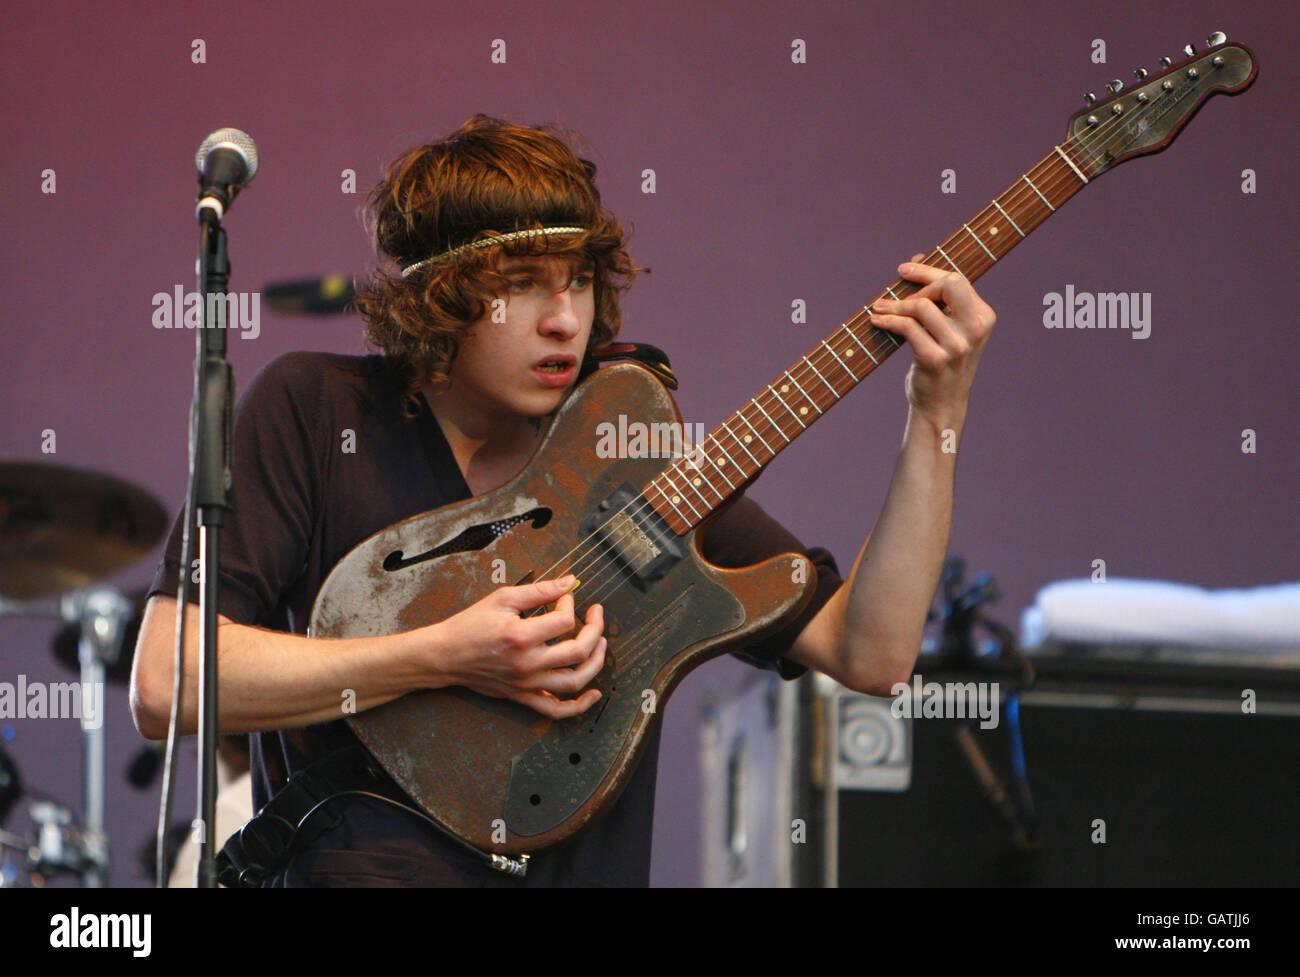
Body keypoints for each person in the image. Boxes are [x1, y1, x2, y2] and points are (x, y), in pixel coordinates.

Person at [129, 114, 995, 887]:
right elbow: (168, 681)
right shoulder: (316, 410)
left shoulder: (634, 456)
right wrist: (444, 654)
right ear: (442, 292)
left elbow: (874, 653)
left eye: (579, 280)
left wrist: (938, 415)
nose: (564, 318)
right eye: (525, 282)